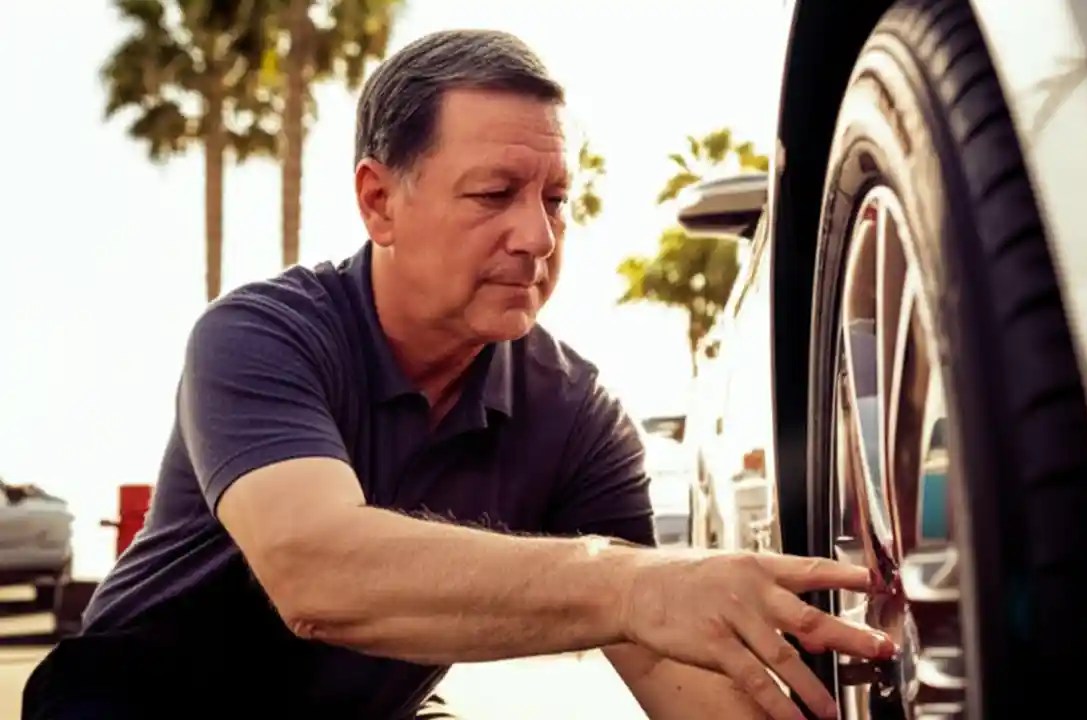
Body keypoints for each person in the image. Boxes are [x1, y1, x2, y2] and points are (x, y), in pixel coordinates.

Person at [22, 28, 894, 720]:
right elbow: (315, 576)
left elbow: (669, 665)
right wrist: (634, 584)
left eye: (555, 199)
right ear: (378, 202)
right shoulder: (261, 335)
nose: (538, 236)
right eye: (493, 195)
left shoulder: (576, 413)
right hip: (135, 697)